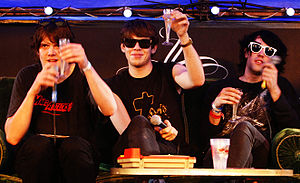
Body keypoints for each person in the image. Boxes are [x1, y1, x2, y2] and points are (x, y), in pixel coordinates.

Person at [4, 18, 117, 183]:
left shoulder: (84, 75)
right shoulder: (27, 76)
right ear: (37, 51)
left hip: (77, 156)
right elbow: (13, 137)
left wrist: (86, 66)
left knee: (74, 147)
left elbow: (110, 109)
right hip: (37, 157)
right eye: (44, 46)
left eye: (57, 45)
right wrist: (33, 91)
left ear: (68, 49)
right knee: (39, 146)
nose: (51, 52)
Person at [105, 10, 205, 162]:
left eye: (144, 43)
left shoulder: (168, 72)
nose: (137, 48)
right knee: (138, 123)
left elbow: (196, 80)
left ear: (154, 48)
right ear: (123, 47)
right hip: (133, 154)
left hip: (169, 151)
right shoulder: (114, 85)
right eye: (130, 43)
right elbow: (127, 133)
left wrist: (183, 37)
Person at [202, 30, 300, 168]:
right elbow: (205, 134)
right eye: (256, 47)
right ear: (247, 52)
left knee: (244, 127)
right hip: (222, 153)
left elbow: (293, 131)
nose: (261, 53)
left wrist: (274, 90)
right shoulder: (221, 87)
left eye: (269, 51)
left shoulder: (281, 86)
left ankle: (230, 177)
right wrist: (216, 107)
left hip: (261, 154)